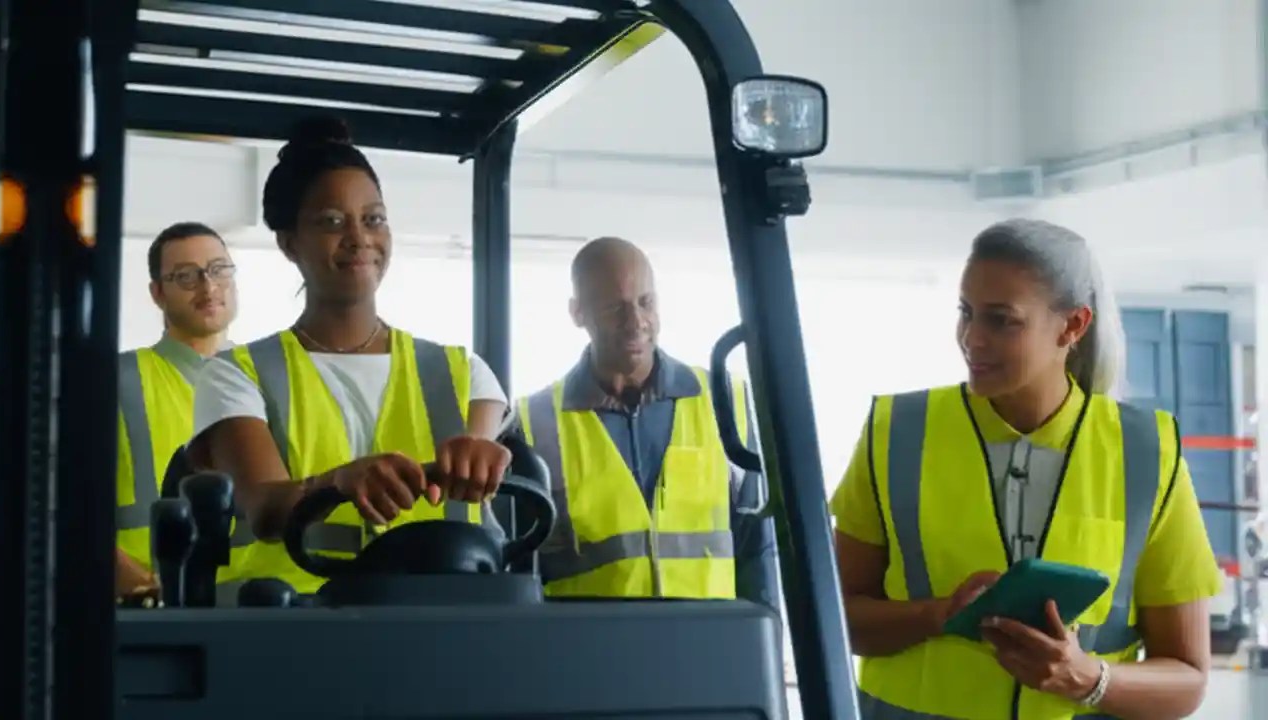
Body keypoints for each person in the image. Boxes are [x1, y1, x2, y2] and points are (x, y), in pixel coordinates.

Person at [831, 219, 1222, 719]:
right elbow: (834, 615)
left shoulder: (1147, 450)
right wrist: (936, 615)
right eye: (965, 313)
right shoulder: (896, 431)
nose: (972, 338)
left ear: (1073, 326)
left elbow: (1186, 679)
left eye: (1002, 320)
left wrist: (1088, 678)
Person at [188, 117, 512, 594]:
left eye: (373, 218)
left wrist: (482, 460)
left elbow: (480, 465)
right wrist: (337, 482)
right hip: (293, 630)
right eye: (332, 222)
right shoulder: (235, 376)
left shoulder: (465, 372)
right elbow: (267, 509)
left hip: (441, 627)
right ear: (289, 242)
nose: (359, 237)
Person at [516, 237, 780, 608]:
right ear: (577, 313)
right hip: (587, 657)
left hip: (711, 652)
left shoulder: (727, 400)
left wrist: (765, 645)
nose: (636, 322)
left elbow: (759, 545)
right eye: (614, 308)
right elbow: (521, 570)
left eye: (645, 303)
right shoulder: (532, 421)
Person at [115, 221, 245, 597]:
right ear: (158, 293)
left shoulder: (264, 381)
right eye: (186, 276)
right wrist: (140, 587)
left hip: (248, 610)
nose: (208, 286)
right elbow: (58, 502)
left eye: (219, 270)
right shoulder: (118, 380)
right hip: (139, 611)